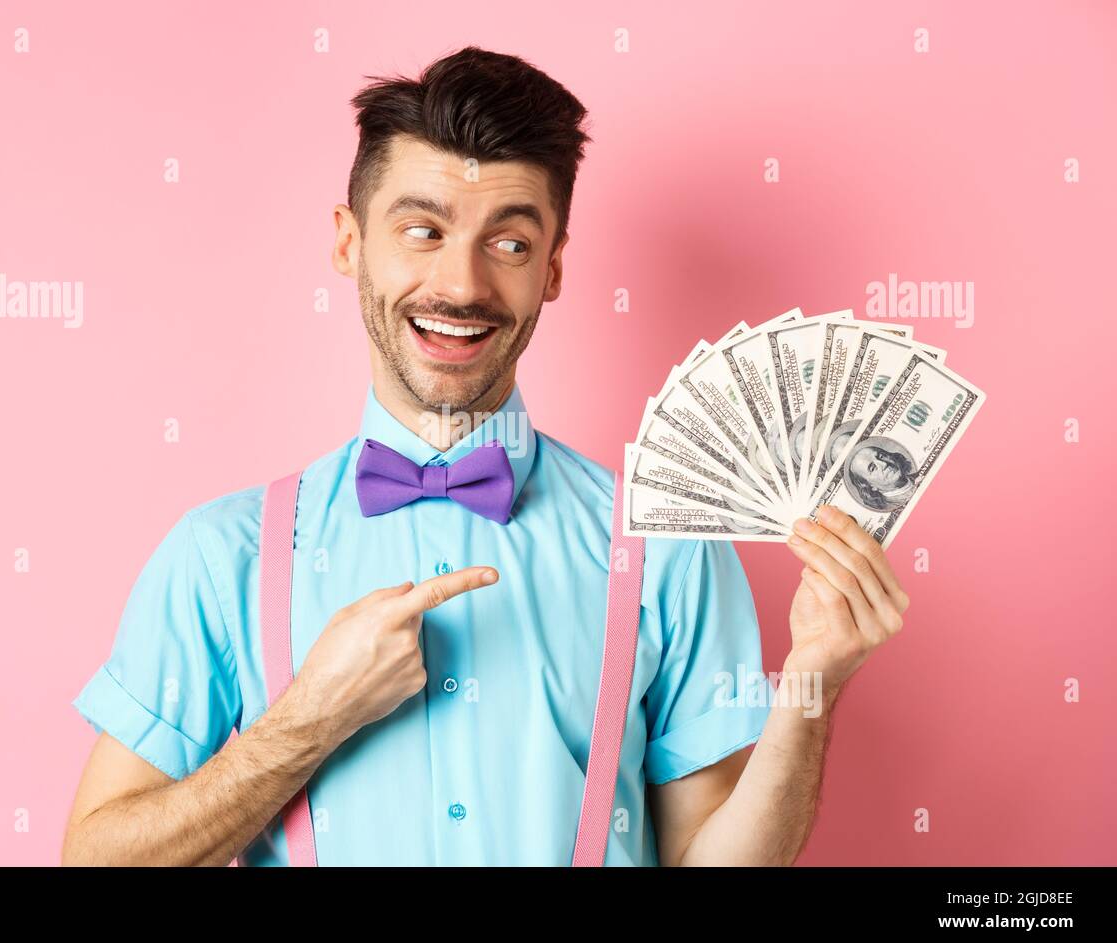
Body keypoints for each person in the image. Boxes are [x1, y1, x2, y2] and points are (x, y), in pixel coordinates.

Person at [61, 46, 910, 867]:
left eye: (507, 243)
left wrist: (814, 686)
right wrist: (310, 721)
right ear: (350, 243)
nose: (462, 286)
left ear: (553, 269)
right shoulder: (220, 556)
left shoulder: (667, 548)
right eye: (422, 230)